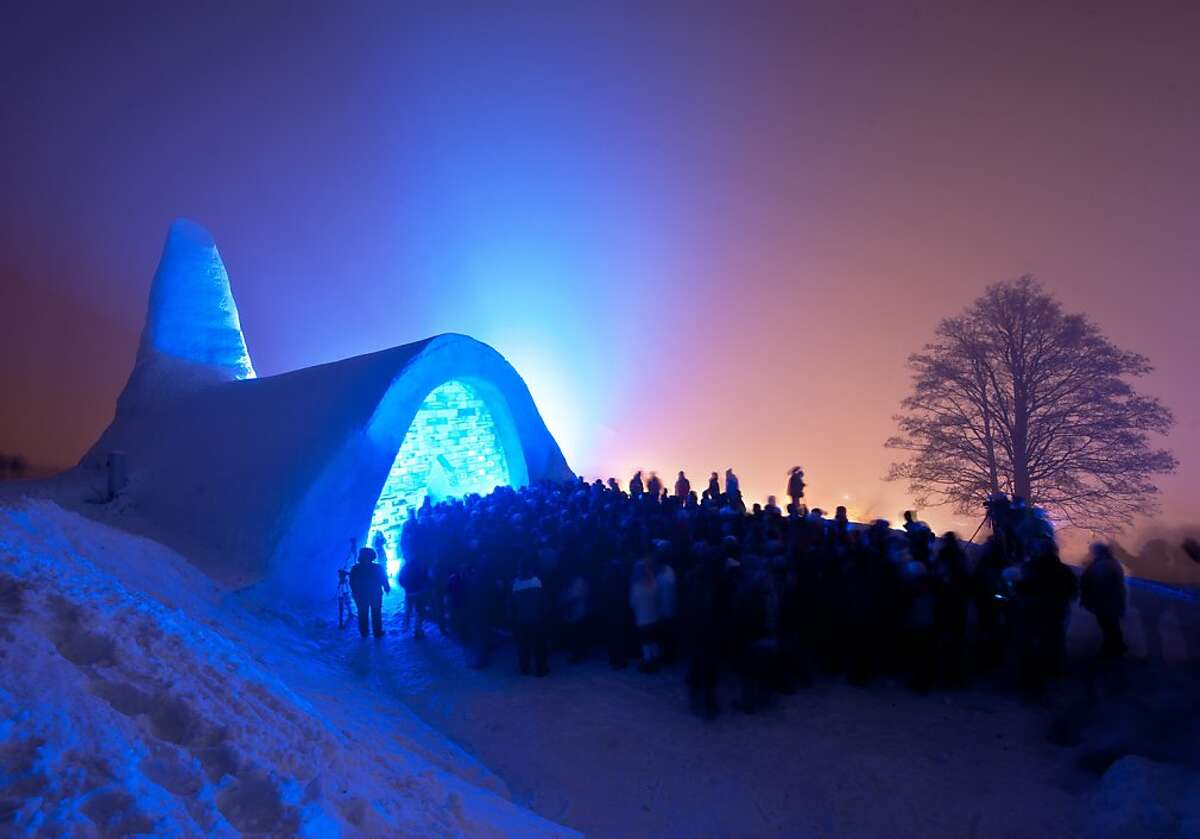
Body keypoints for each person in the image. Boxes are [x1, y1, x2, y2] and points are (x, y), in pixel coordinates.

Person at [1080, 543, 1128, 659]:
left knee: (1108, 625)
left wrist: (1089, 591)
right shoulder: (1109, 562)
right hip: (1110, 601)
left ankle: (1111, 649)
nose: (1091, 553)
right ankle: (1117, 646)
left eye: (1093, 551)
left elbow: (1101, 583)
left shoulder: (1104, 564)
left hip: (1106, 601)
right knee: (1110, 625)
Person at [511, 557, 549, 676]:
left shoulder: (515, 584)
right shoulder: (537, 582)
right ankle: (541, 669)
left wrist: (513, 618)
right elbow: (543, 602)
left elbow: (512, 605)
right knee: (539, 645)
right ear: (531, 569)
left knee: (524, 645)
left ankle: (524, 668)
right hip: (537, 619)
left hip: (521, 620)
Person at [349, 547, 390, 638]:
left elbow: (352, 582)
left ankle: (364, 633)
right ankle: (377, 632)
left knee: (363, 613)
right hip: (375, 594)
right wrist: (386, 587)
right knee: (376, 613)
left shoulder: (355, 568)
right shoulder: (377, 567)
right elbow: (383, 579)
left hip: (361, 596)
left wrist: (355, 593)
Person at [630, 557, 661, 672]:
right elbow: (658, 598)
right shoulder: (654, 581)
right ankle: (656, 660)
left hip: (642, 619)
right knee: (653, 640)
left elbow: (632, 603)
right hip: (654, 617)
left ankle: (648, 664)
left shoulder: (636, 586)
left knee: (645, 642)